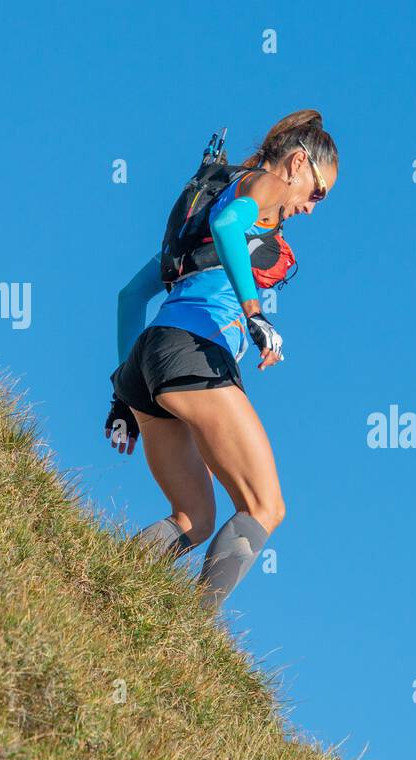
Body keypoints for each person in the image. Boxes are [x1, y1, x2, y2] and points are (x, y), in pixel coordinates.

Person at [105, 109, 338, 606]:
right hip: (194, 352)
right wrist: (255, 313)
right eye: (318, 193)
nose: (313, 208)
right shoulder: (263, 188)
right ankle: (194, 632)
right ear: (298, 164)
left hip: (149, 358)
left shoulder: (198, 229)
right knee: (265, 505)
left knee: (193, 517)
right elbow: (232, 223)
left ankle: (98, 584)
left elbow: (130, 297)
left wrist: (122, 394)